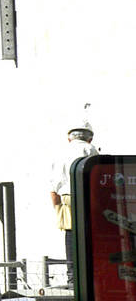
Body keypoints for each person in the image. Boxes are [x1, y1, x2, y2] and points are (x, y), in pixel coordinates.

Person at [52, 119, 99, 283]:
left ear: (69, 138)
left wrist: (57, 206)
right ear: (90, 138)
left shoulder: (61, 152)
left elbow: (54, 184)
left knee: (70, 234)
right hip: (88, 195)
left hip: (67, 197)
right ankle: (90, 274)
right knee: (90, 233)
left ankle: (72, 276)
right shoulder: (90, 149)